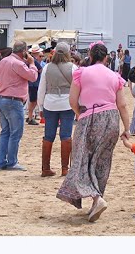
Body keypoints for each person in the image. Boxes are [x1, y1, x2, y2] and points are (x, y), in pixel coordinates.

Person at [56, 42, 133, 223]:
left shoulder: (81, 73)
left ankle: (97, 198)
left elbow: (72, 100)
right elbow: (122, 105)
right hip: (111, 119)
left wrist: (79, 114)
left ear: (90, 56)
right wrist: (127, 128)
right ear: (106, 58)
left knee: (81, 160)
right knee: (102, 162)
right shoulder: (114, 76)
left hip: (90, 117)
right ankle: (96, 201)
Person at [0, 39, 38, 170]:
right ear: (24, 51)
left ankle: (1, 161)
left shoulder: (3, 61)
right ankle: (12, 162)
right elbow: (33, 77)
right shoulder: (18, 63)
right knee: (15, 132)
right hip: (13, 101)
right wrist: (32, 63)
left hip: (2, 98)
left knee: (5, 132)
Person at [36, 42, 77, 177]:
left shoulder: (47, 67)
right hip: (67, 104)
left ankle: (45, 168)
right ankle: (65, 168)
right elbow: (77, 88)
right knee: (66, 135)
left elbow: (42, 88)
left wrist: (40, 106)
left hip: (50, 103)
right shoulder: (73, 67)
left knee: (48, 135)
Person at [27, 47, 46, 125]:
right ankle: (30, 117)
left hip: (31, 83)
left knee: (32, 101)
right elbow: (41, 70)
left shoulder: (30, 60)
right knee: (33, 101)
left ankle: (30, 116)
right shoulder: (34, 61)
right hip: (35, 83)